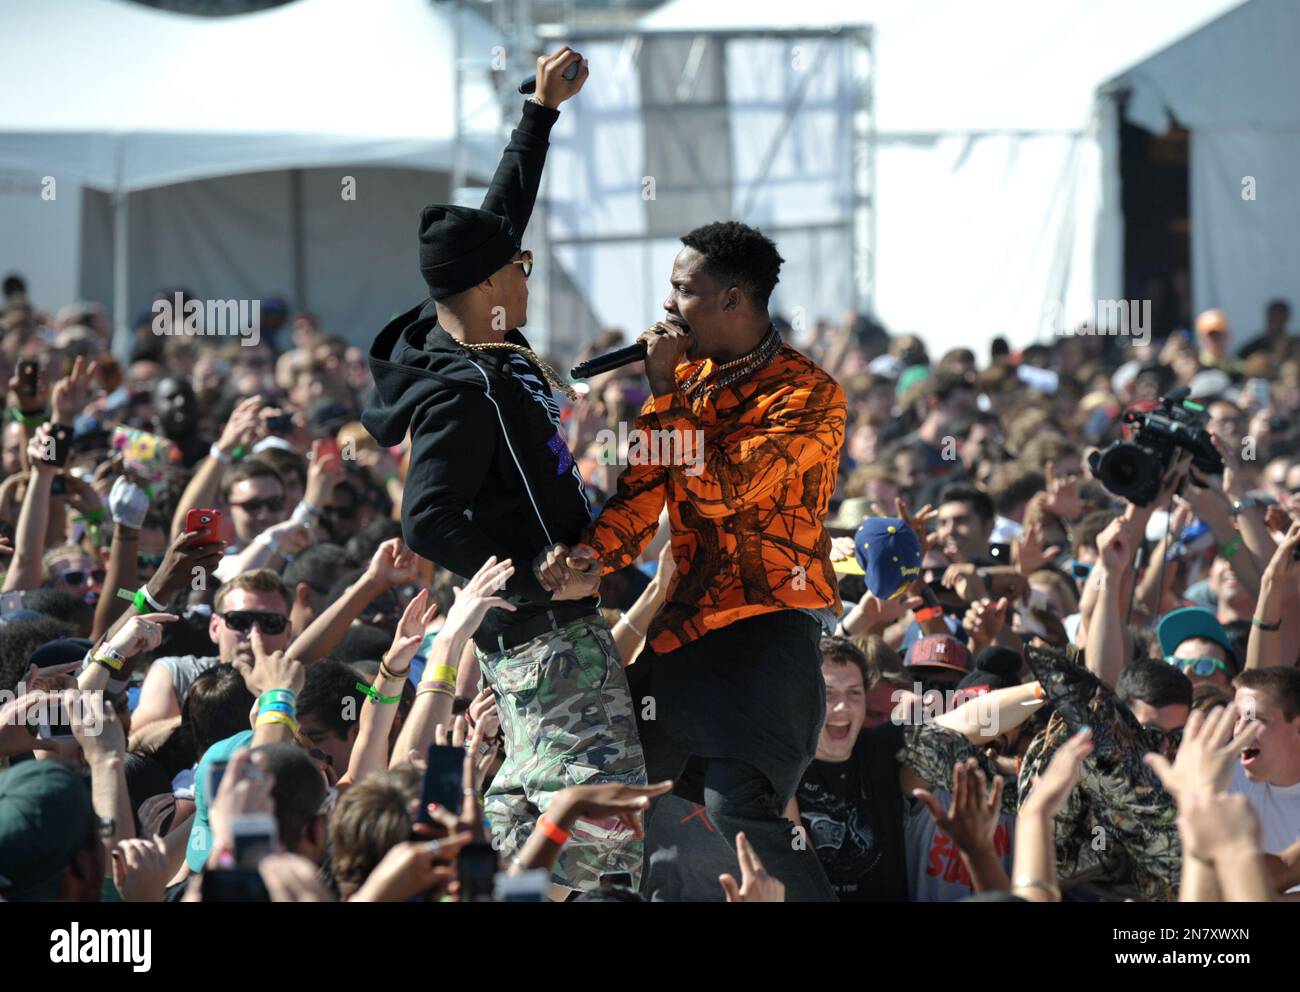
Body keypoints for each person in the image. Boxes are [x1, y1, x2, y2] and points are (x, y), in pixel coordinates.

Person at [360, 46, 646, 895]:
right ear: (488, 287)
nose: (526, 272)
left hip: (534, 649)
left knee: (529, 834)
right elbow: (426, 519)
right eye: (516, 269)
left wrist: (540, 112)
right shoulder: (465, 389)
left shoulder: (469, 322)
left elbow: (499, 215)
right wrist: (529, 579)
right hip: (546, 641)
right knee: (603, 852)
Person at [542, 220, 849, 901]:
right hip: (684, 629)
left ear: (734, 301)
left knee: (737, 801)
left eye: (683, 290)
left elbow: (721, 492)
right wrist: (590, 557)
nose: (668, 306)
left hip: (766, 629)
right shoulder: (688, 386)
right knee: (607, 794)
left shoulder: (806, 394)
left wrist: (665, 391)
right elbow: (642, 491)